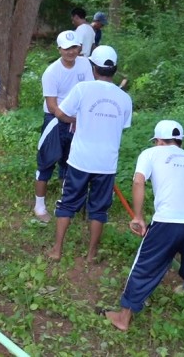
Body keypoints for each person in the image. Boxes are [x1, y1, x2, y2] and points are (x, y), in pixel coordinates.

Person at [105, 120, 184, 331]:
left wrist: (138, 217)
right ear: (180, 141)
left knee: (144, 266)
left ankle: (123, 319)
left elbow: (138, 181)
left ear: (158, 141)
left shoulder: (151, 153)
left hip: (168, 222)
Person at [49, 46, 132, 262]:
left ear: (94, 68)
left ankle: (57, 250)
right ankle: (91, 254)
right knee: (99, 208)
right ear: (114, 69)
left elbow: (61, 113)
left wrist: (75, 120)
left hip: (80, 160)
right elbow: (121, 126)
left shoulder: (82, 89)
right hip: (106, 163)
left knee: (67, 202)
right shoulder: (124, 98)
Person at [33, 31, 94, 222]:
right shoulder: (52, 72)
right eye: (66, 48)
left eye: (74, 47)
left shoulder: (85, 64)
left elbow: (90, 91)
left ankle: (66, 202)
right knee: (46, 161)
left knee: (71, 162)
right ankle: (39, 206)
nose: (71, 52)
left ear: (80, 48)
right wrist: (71, 120)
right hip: (55, 120)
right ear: (59, 49)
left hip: (78, 119)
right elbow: (52, 105)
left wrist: (82, 118)